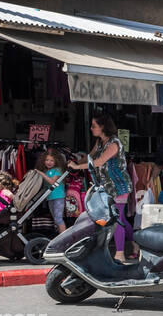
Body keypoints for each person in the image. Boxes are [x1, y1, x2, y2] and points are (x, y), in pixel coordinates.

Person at [70, 112, 134, 262]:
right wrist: (75, 159)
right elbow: (90, 157)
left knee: (116, 218)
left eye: (94, 126)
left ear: (103, 127)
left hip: (118, 186)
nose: (91, 129)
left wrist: (77, 167)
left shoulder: (113, 143)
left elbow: (98, 162)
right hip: (106, 186)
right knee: (121, 217)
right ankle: (135, 243)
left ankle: (120, 253)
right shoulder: (100, 142)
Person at [37, 148, 69, 233]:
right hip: (50, 197)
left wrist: (41, 173)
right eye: (47, 160)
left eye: (51, 160)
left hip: (58, 197)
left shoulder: (57, 170)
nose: (49, 162)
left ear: (56, 161)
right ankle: (59, 237)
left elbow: (52, 182)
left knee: (58, 219)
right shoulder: (46, 170)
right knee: (55, 219)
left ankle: (64, 238)